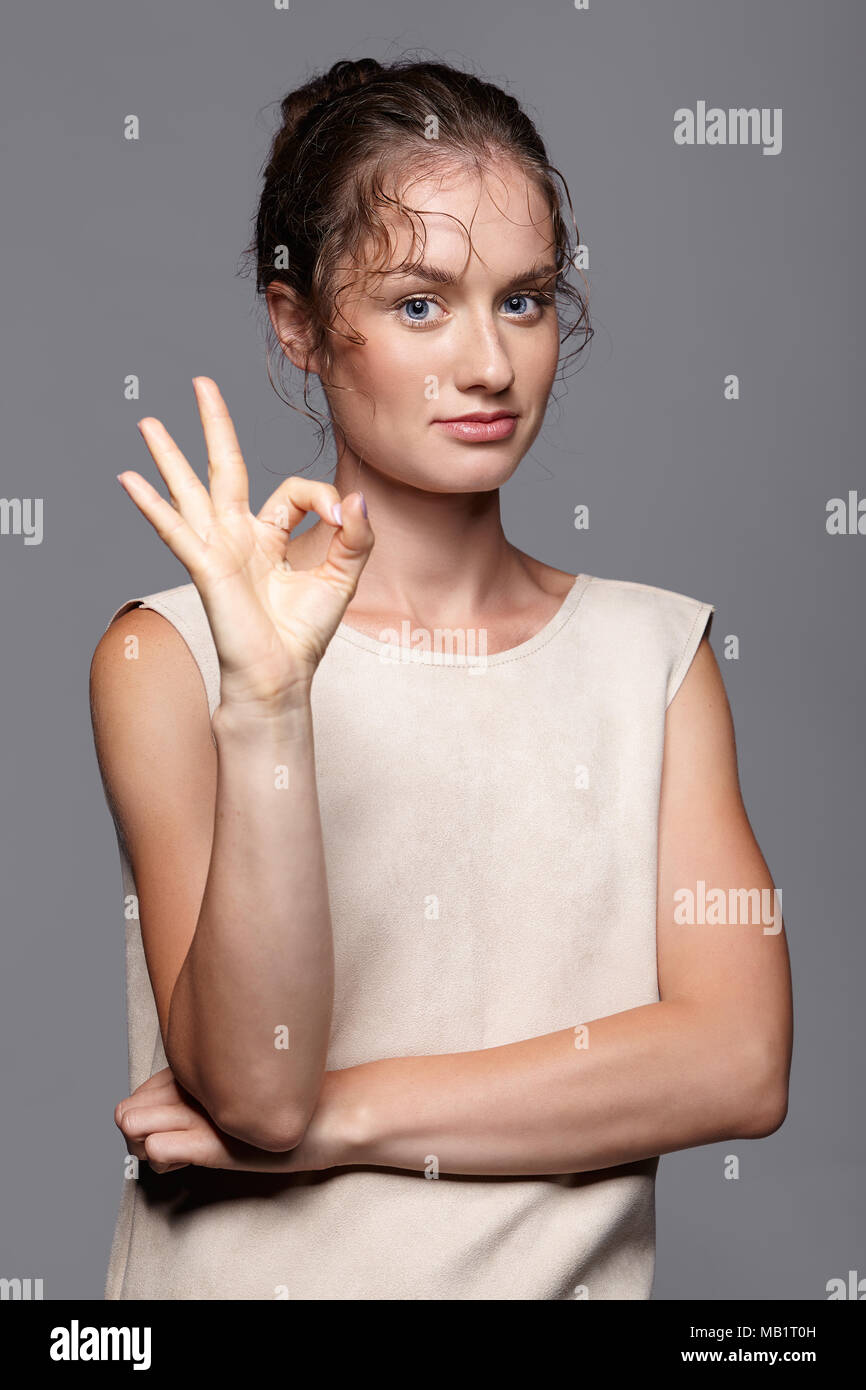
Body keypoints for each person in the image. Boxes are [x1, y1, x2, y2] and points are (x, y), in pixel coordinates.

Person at [89, 55, 793, 1301]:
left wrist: (342, 1122)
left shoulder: (654, 659)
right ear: (297, 324)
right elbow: (252, 1085)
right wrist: (267, 706)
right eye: (420, 305)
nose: (487, 365)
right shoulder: (168, 655)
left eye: (521, 301)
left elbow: (736, 1063)